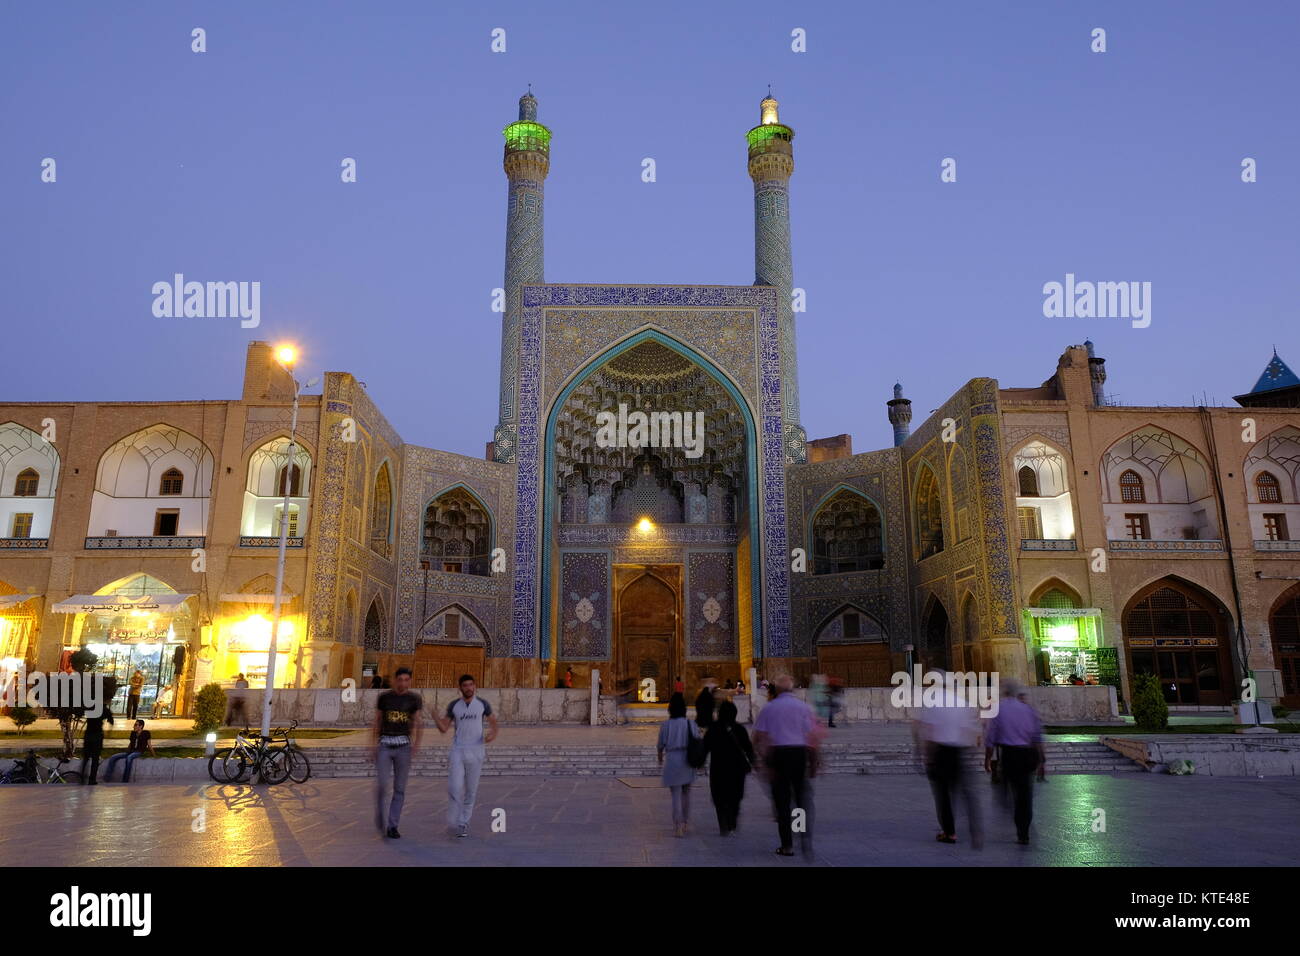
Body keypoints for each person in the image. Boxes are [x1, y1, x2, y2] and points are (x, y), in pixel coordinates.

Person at [752, 675, 822, 857]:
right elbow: (812, 737)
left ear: (776, 690)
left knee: (782, 803)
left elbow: (758, 738)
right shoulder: (802, 707)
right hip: (798, 755)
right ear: (792, 690)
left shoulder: (769, 708)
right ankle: (804, 838)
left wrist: (763, 760)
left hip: (778, 756)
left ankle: (787, 846)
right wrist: (814, 762)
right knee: (800, 799)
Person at [914, 670, 983, 848]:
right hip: (959, 753)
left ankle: (950, 833)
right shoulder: (963, 704)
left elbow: (928, 732)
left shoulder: (934, 704)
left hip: (941, 753)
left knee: (943, 796)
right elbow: (973, 732)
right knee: (967, 794)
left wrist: (925, 756)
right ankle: (976, 831)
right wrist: (973, 753)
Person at [984, 679, 1047, 846]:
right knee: (1025, 794)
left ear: (1004, 692)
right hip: (1027, 754)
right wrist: (1042, 759)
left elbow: (991, 737)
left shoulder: (1000, 709)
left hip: (1010, 755)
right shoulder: (1028, 710)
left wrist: (988, 758)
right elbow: (1037, 736)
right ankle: (1023, 832)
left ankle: (1009, 806)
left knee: (1010, 788)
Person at [436, 674, 498, 838]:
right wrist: (435, 717)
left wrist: (492, 734)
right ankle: (453, 817)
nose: (469, 688)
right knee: (454, 786)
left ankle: (463, 822)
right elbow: (444, 728)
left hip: (476, 750)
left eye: (471, 685)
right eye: (465, 685)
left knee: (471, 790)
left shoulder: (482, 704)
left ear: (475, 686)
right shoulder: (454, 706)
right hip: (458, 748)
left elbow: (493, 722)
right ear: (460, 688)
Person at [373, 666, 423, 839]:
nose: (403, 683)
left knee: (400, 789)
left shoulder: (414, 699)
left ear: (410, 681)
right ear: (395, 680)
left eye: (406, 680)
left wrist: (416, 745)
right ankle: (380, 815)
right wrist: (372, 744)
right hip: (385, 745)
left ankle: (393, 825)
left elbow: (418, 723)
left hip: (403, 747)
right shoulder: (384, 697)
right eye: (400, 680)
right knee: (382, 785)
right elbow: (377, 721)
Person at [702, 700, 754, 835]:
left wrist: (698, 762)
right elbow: (748, 749)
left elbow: (704, 748)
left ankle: (723, 824)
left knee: (719, 798)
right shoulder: (740, 729)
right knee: (735, 797)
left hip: (718, 769)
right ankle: (732, 823)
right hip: (736, 770)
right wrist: (754, 763)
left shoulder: (713, 729)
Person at [656, 693, 699, 837]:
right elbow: (698, 741)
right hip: (687, 758)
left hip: (673, 759)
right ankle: (685, 822)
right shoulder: (690, 723)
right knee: (686, 793)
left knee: (675, 794)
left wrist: (660, 759)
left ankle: (677, 825)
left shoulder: (666, 725)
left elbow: (660, 745)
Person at [80, 691, 115, 785]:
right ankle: (92, 780)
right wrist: (108, 732)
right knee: (95, 759)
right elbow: (111, 722)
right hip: (97, 736)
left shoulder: (90, 707)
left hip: (88, 735)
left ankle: (82, 778)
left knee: (86, 758)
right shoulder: (105, 710)